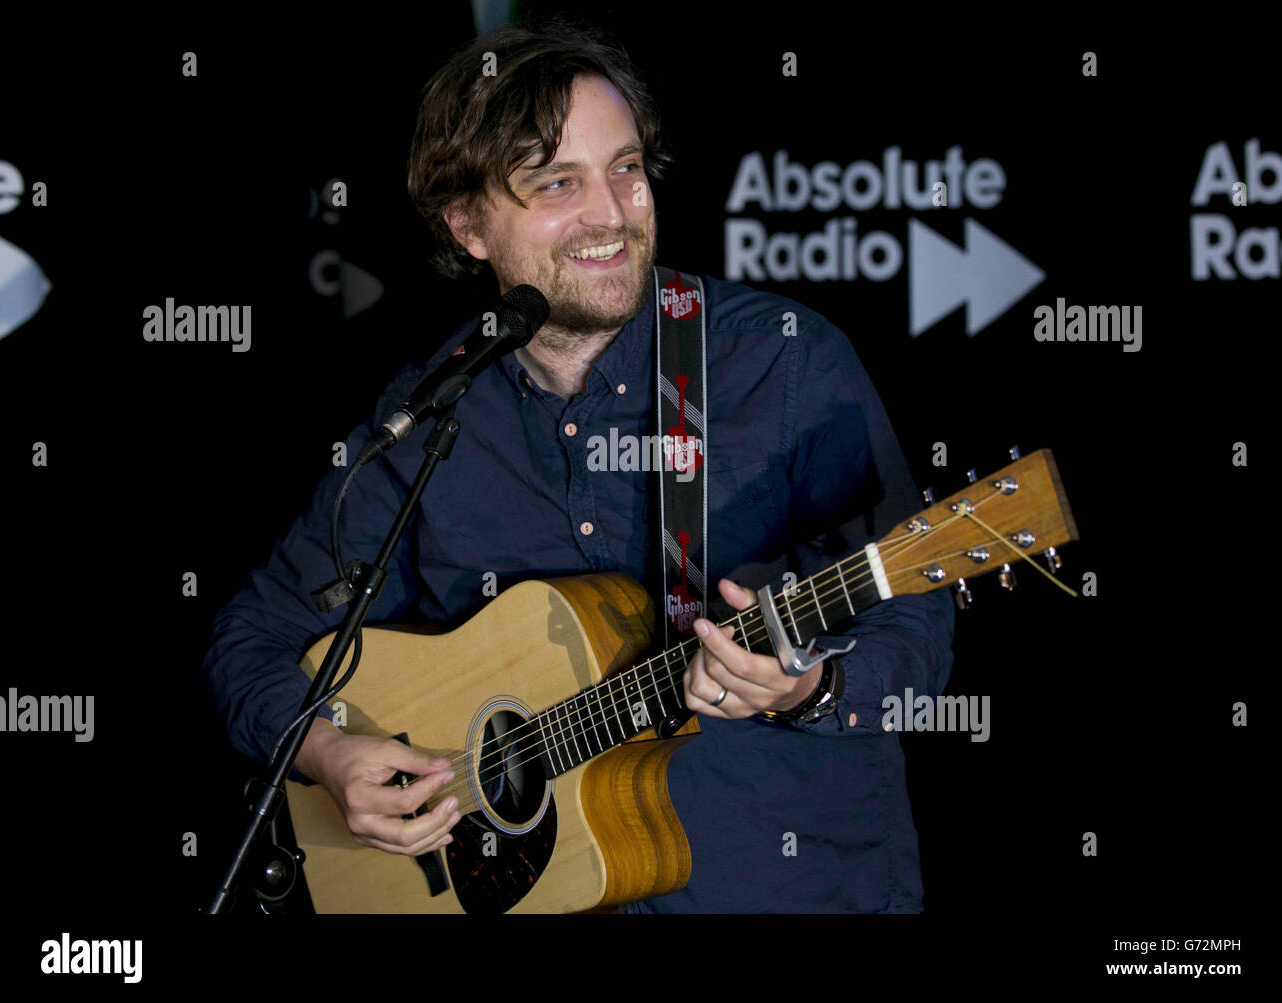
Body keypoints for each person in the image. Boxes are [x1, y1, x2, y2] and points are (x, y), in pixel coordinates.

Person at [201, 19, 955, 913]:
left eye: (626, 169)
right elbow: (252, 635)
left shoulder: (783, 365)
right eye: (559, 183)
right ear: (469, 225)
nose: (612, 213)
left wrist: (812, 685)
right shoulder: (433, 413)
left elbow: (916, 605)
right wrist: (327, 753)